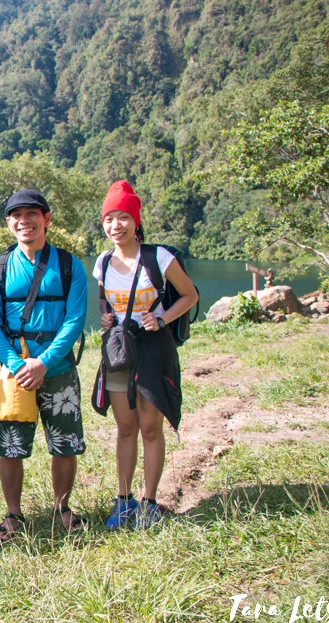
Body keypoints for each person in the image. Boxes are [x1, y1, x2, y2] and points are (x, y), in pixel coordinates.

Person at [0, 190, 88, 538]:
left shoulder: (70, 265)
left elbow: (75, 320)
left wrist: (43, 362)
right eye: (16, 215)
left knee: (64, 443)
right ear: (9, 222)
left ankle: (63, 508)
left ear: (46, 218)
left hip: (58, 369)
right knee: (11, 445)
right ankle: (13, 515)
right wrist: (16, 363)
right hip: (15, 374)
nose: (24, 221)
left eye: (31, 213)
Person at [94, 181, 198, 530]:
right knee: (125, 427)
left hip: (154, 349)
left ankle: (150, 501)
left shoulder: (158, 258)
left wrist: (163, 318)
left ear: (135, 221)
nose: (116, 225)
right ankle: (124, 500)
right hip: (121, 351)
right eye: (110, 218)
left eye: (123, 217)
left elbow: (190, 295)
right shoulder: (103, 261)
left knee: (151, 427)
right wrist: (105, 316)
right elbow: (103, 300)